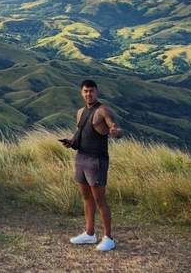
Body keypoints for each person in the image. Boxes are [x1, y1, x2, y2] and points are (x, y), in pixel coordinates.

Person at [60, 79, 123, 252]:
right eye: (86, 91)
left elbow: (115, 128)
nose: (89, 94)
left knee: (100, 200)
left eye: (92, 91)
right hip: (81, 158)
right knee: (86, 197)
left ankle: (109, 238)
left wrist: (116, 133)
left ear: (97, 92)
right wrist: (71, 142)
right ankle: (89, 233)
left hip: (96, 160)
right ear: (81, 93)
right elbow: (80, 133)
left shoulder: (103, 110)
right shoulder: (80, 112)